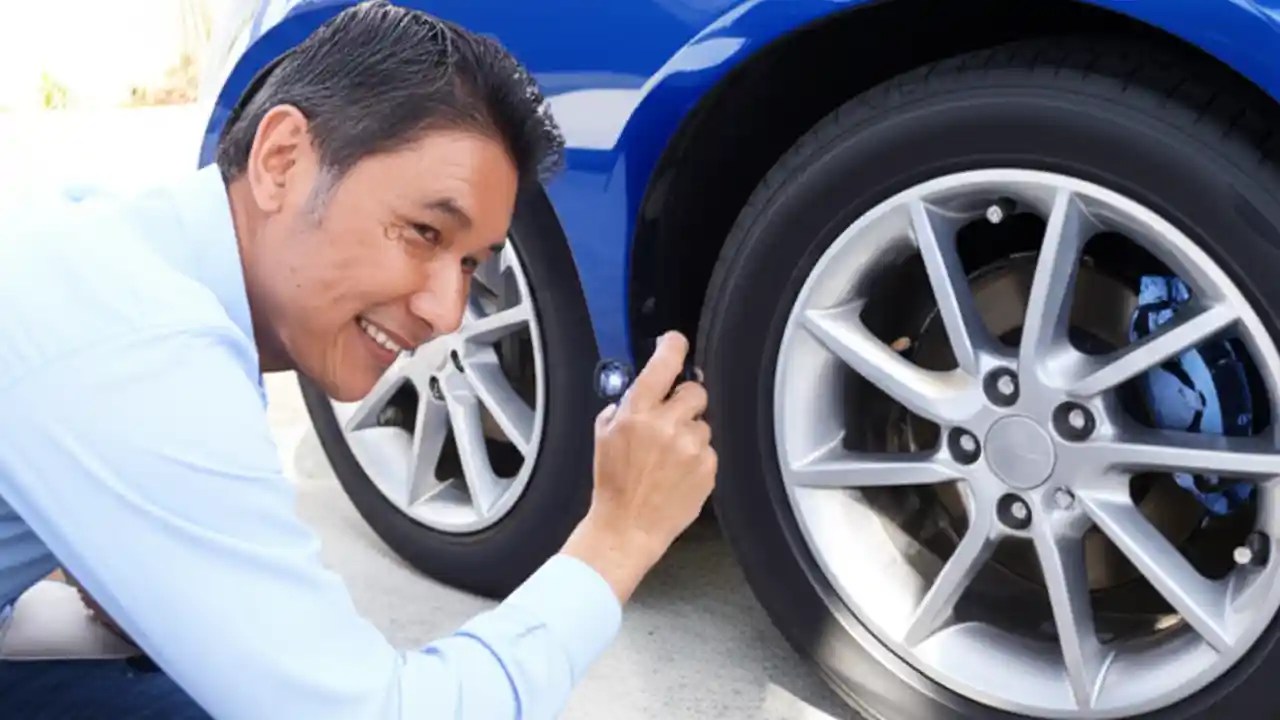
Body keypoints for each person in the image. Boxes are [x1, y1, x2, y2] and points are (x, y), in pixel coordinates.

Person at [0, 2, 716, 718]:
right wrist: (618, 537)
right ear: (282, 160)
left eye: (471, 264)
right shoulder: (144, 353)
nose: (447, 314)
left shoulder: (110, 248)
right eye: (423, 231)